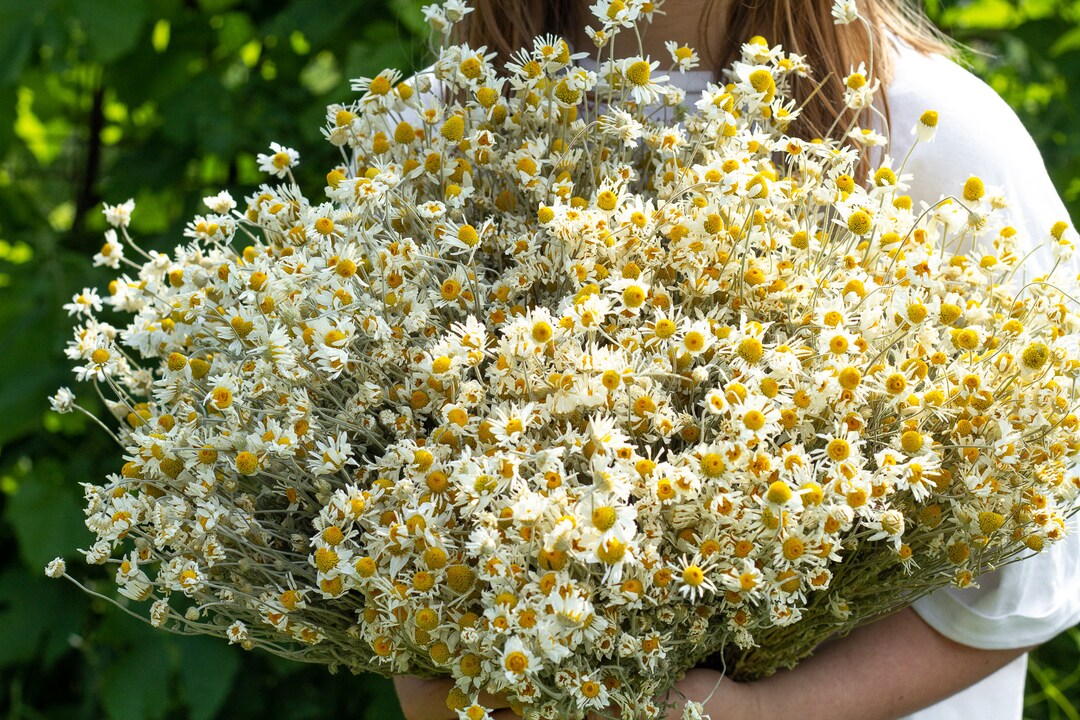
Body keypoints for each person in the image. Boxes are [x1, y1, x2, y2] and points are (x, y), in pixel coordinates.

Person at [393, 1, 1080, 718]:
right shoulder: (436, 119)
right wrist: (440, 678)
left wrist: (764, 712)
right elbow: (388, 477)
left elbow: (1043, 556)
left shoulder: (927, 128)